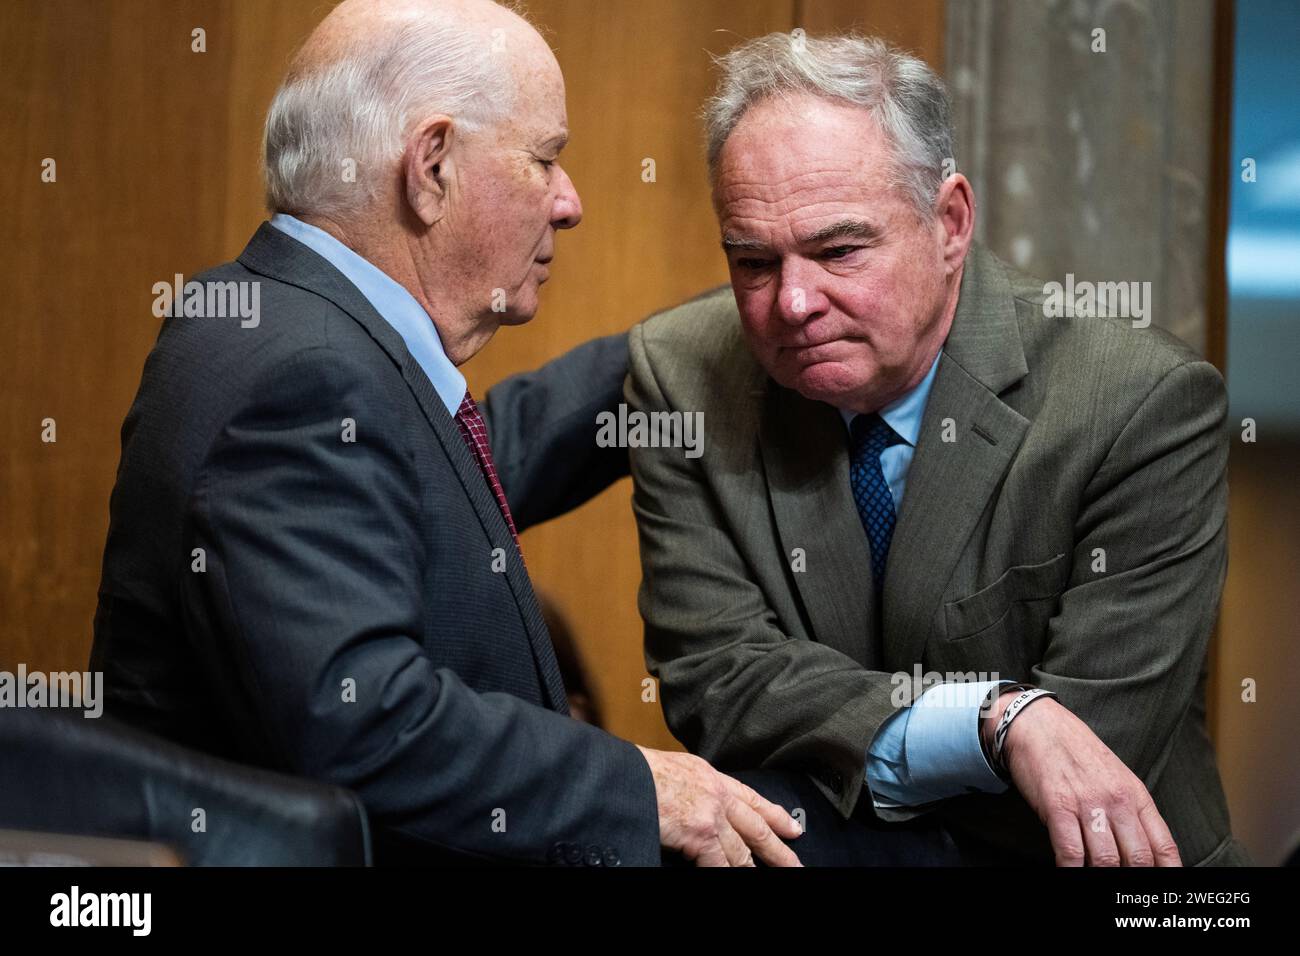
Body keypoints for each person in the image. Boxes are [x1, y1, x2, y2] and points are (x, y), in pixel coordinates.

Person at [90, 0, 802, 867]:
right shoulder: (302, 377)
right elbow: (360, 719)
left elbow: (448, 473)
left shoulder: (263, 318)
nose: (569, 203)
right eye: (545, 159)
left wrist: (736, 325)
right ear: (430, 167)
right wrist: (641, 788)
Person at [626, 32, 1250, 866]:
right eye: (752, 261)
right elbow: (717, 680)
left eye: (839, 249)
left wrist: (850, 743)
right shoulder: (682, 377)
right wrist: (994, 721)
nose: (794, 302)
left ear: (949, 222)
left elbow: (1089, 756)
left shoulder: (1140, 403)